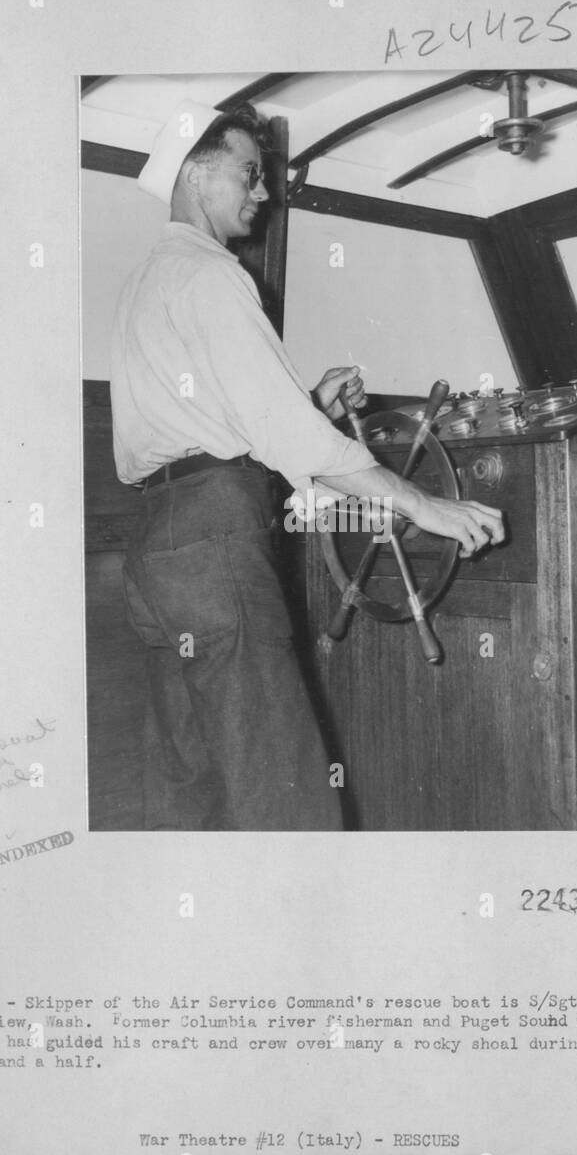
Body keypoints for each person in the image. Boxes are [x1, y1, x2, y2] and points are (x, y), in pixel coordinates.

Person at [110, 100, 503, 831]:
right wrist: (424, 505)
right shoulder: (211, 275)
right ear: (197, 173)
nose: (261, 193)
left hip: (155, 547)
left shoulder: (146, 280)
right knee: (278, 783)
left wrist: (309, 404)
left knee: (188, 778)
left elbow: (214, 422)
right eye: (249, 174)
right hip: (213, 540)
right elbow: (278, 435)